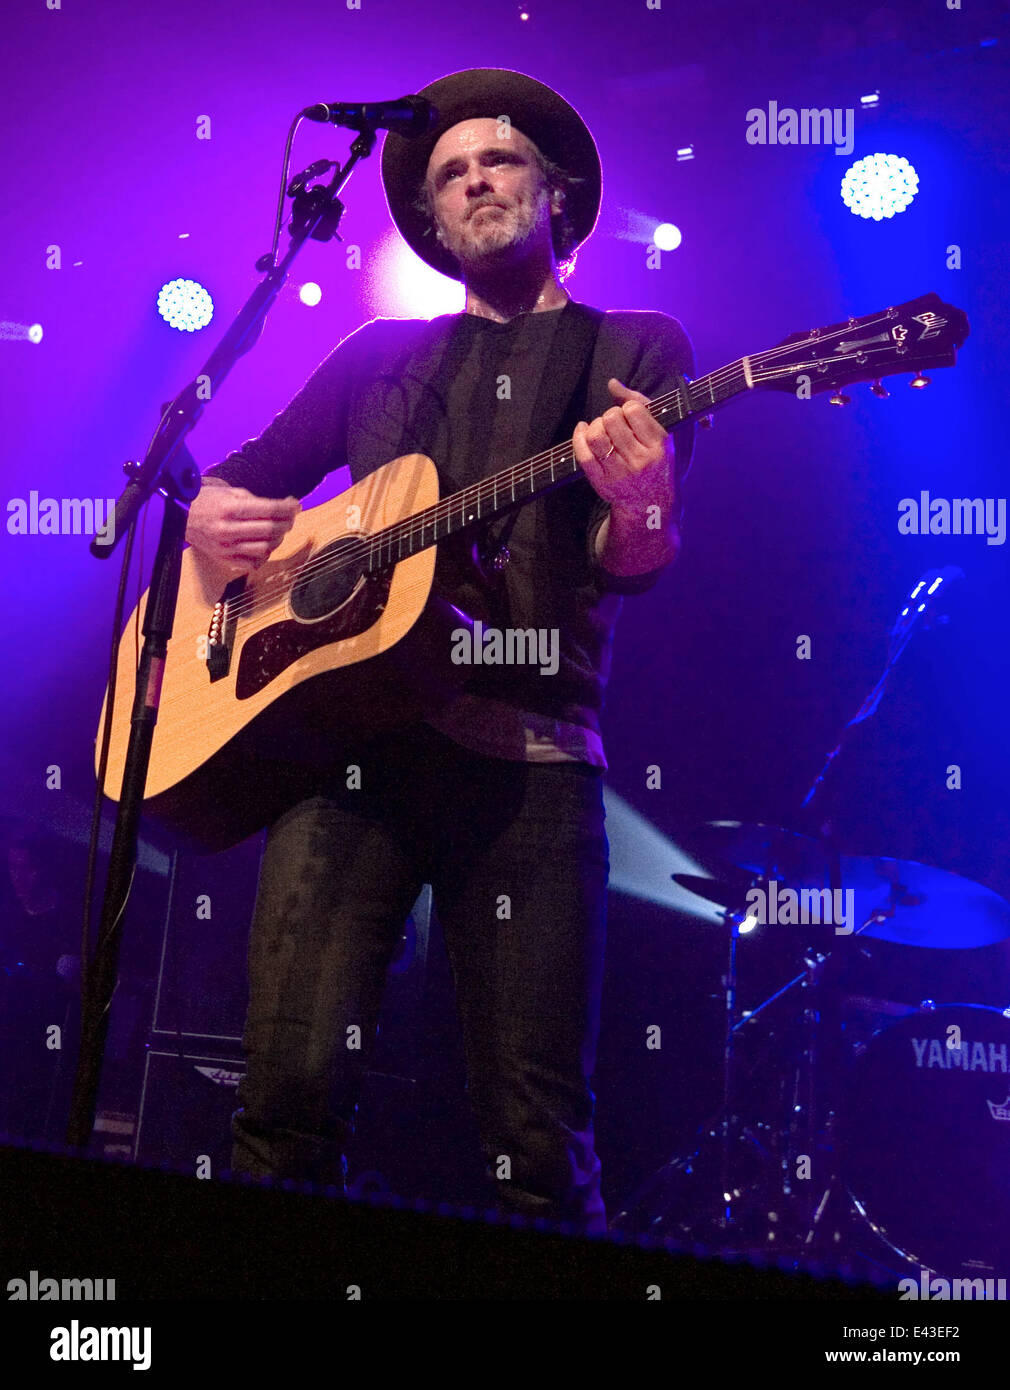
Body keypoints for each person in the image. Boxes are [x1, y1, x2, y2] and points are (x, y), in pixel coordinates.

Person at [186, 67, 696, 1234]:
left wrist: (646, 500)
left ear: (555, 194)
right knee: (288, 1090)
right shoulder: (376, 357)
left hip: (530, 761)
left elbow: (637, 564)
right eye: (449, 171)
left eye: (498, 160)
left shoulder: (633, 349)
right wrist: (208, 514)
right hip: (349, 756)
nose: (471, 179)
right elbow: (240, 482)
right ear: (426, 216)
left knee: (531, 1126)